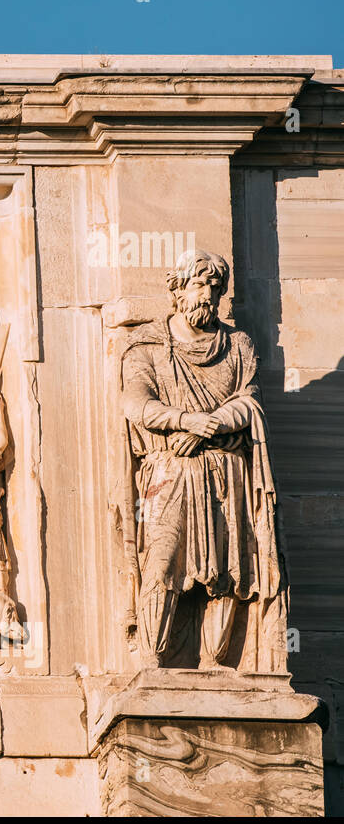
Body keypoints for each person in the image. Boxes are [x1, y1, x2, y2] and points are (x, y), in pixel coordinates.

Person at [121, 250, 285, 671]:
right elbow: (137, 404)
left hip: (227, 471)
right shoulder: (147, 346)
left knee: (227, 573)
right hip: (170, 474)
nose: (209, 295)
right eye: (199, 284)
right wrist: (186, 420)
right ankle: (153, 666)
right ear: (177, 289)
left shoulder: (238, 345)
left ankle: (217, 667)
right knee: (163, 564)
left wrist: (205, 426)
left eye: (216, 287)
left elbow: (249, 402)